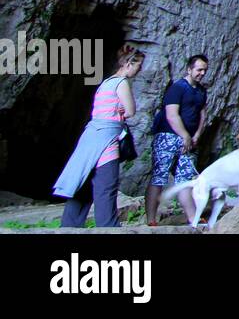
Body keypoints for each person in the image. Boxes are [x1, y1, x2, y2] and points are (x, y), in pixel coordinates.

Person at [53, 45, 146, 228]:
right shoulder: (121, 83)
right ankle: (108, 227)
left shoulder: (106, 82)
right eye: (138, 65)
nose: (140, 70)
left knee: (83, 184)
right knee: (106, 186)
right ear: (129, 63)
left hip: (90, 137)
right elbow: (130, 110)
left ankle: (69, 228)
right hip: (106, 139)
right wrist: (120, 114)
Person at [144, 54, 209, 225]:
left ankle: (193, 218)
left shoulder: (201, 91)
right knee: (159, 176)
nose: (202, 73)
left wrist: (196, 135)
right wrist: (185, 135)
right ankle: (151, 219)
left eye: (204, 70)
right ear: (189, 69)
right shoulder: (177, 88)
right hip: (168, 136)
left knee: (186, 180)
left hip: (190, 140)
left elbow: (203, 114)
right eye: (199, 69)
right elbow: (171, 114)